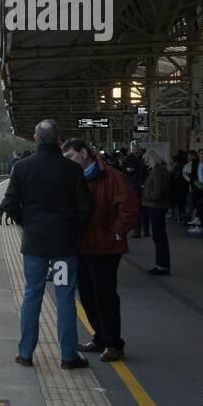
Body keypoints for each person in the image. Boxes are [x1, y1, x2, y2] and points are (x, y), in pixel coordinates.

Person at [0, 120, 92, 368]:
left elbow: (9, 204)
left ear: (35, 137)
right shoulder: (72, 170)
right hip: (63, 246)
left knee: (32, 295)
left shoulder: (22, 167)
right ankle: (68, 356)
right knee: (64, 298)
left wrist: (27, 224)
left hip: (35, 246)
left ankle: (25, 353)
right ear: (59, 137)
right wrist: (74, 230)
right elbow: (86, 208)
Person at [63, 139, 139, 362]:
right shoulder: (75, 178)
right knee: (87, 294)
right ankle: (100, 337)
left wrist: (117, 232)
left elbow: (129, 206)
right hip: (82, 245)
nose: (68, 162)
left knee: (104, 295)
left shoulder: (111, 176)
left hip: (105, 247)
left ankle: (114, 343)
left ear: (84, 153)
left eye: (70, 157)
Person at [140, 149, 172, 276]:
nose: (146, 163)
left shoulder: (159, 173)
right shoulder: (159, 172)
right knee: (159, 237)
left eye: (147, 161)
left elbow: (157, 193)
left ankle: (162, 266)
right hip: (156, 206)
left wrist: (145, 192)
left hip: (156, 207)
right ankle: (161, 265)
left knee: (159, 237)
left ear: (152, 159)